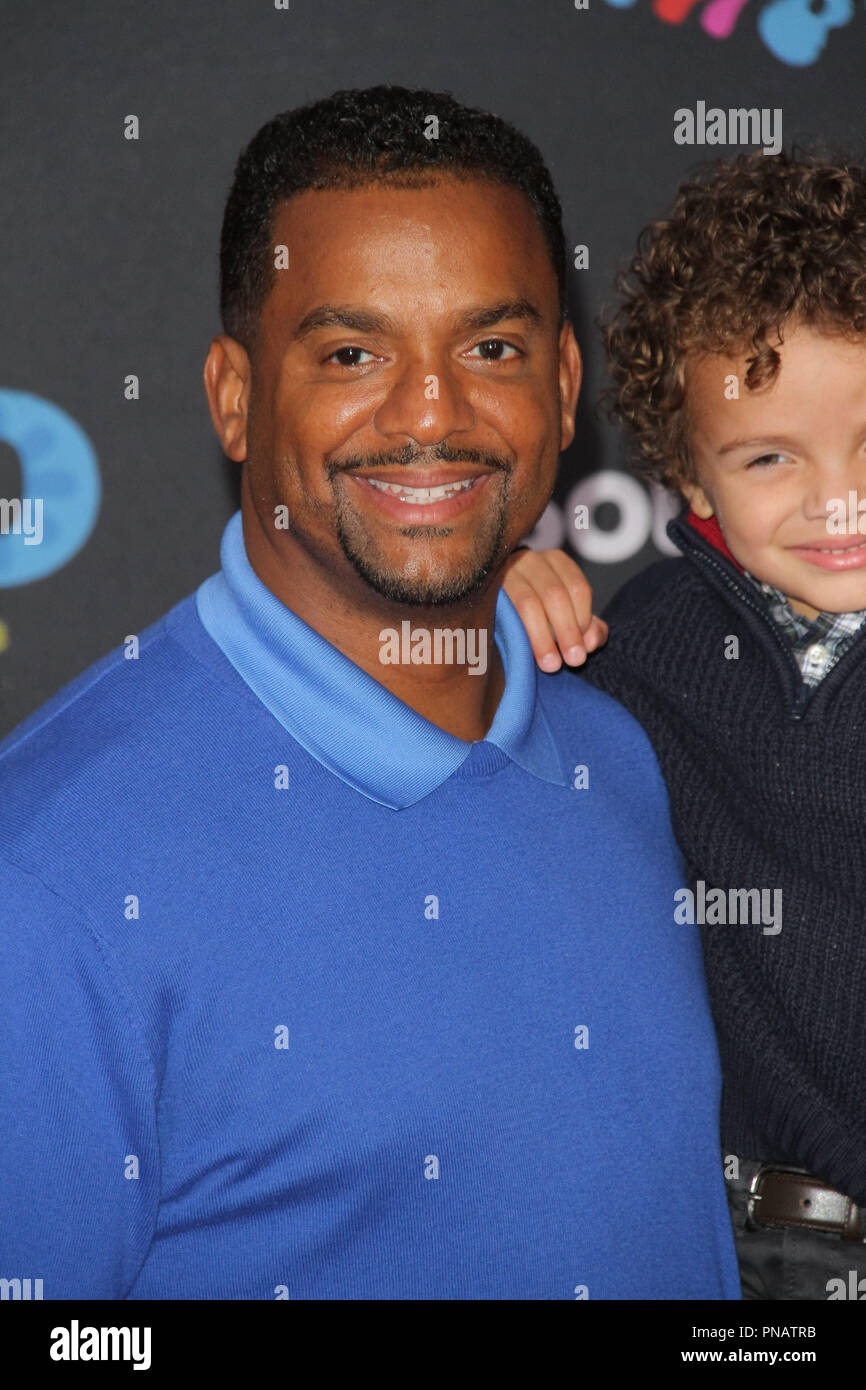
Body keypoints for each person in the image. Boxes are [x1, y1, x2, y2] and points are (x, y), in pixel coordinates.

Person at [0, 86, 739, 1301]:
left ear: (563, 383)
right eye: (351, 353)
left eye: (489, 348)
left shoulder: (624, 750)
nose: (431, 414)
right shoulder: (48, 880)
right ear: (234, 398)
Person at [504, 150, 866, 1301]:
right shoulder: (633, 656)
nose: (835, 497)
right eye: (771, 457)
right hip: (766, 1253)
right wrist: (485, 608)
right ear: (687, 478)